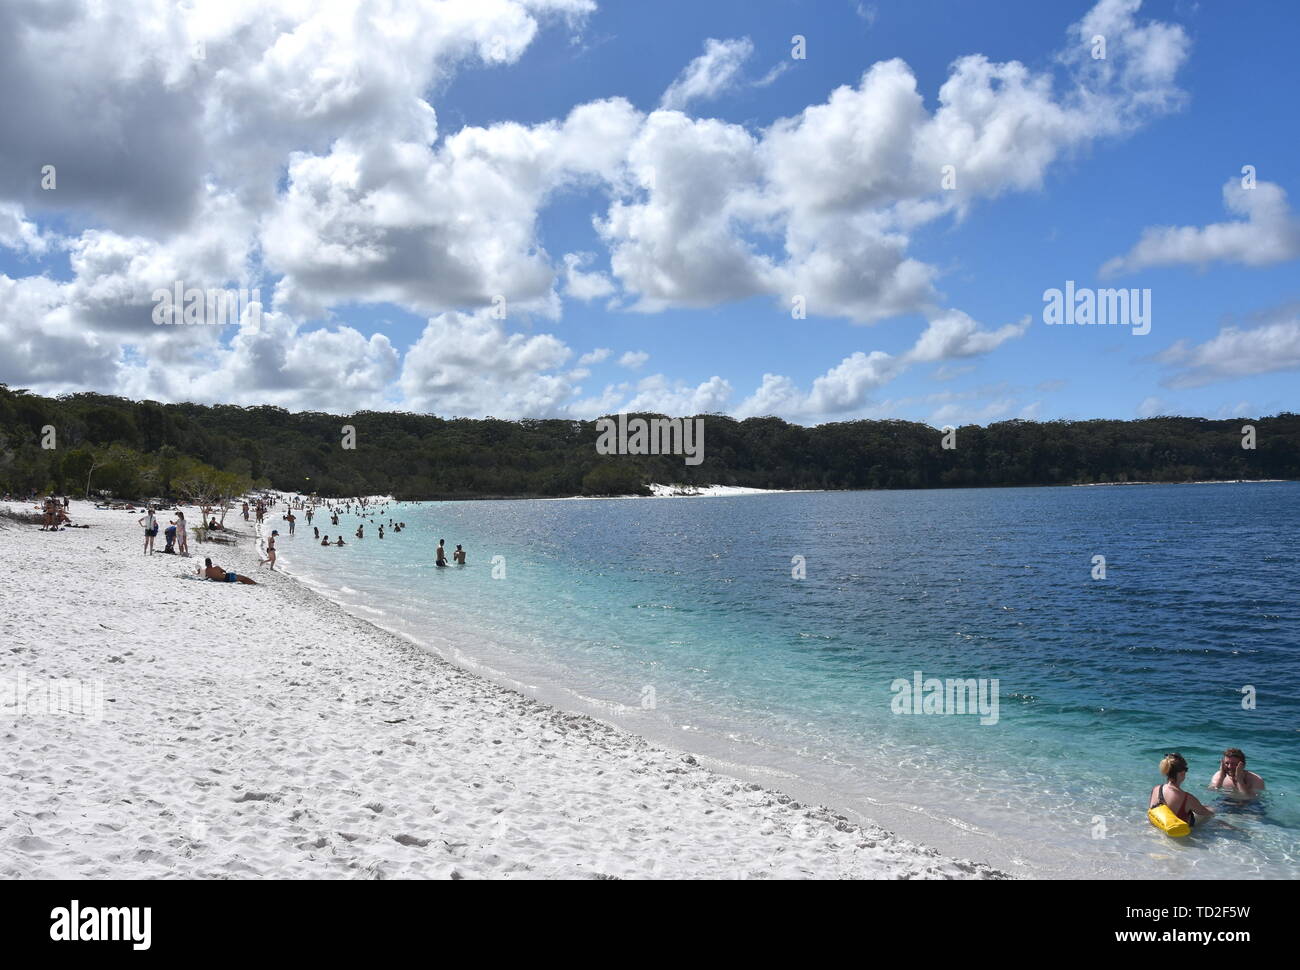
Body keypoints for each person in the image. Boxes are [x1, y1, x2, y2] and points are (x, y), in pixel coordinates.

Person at [1150, 753, 1215, 830]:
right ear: (1182, 773)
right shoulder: (1187, 798)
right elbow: (1205, 812)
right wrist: (1213, 810)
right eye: (1186, 769)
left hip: (1157, 830)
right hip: (1178, 836)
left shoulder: (1156, 789)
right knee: (1211, 812)